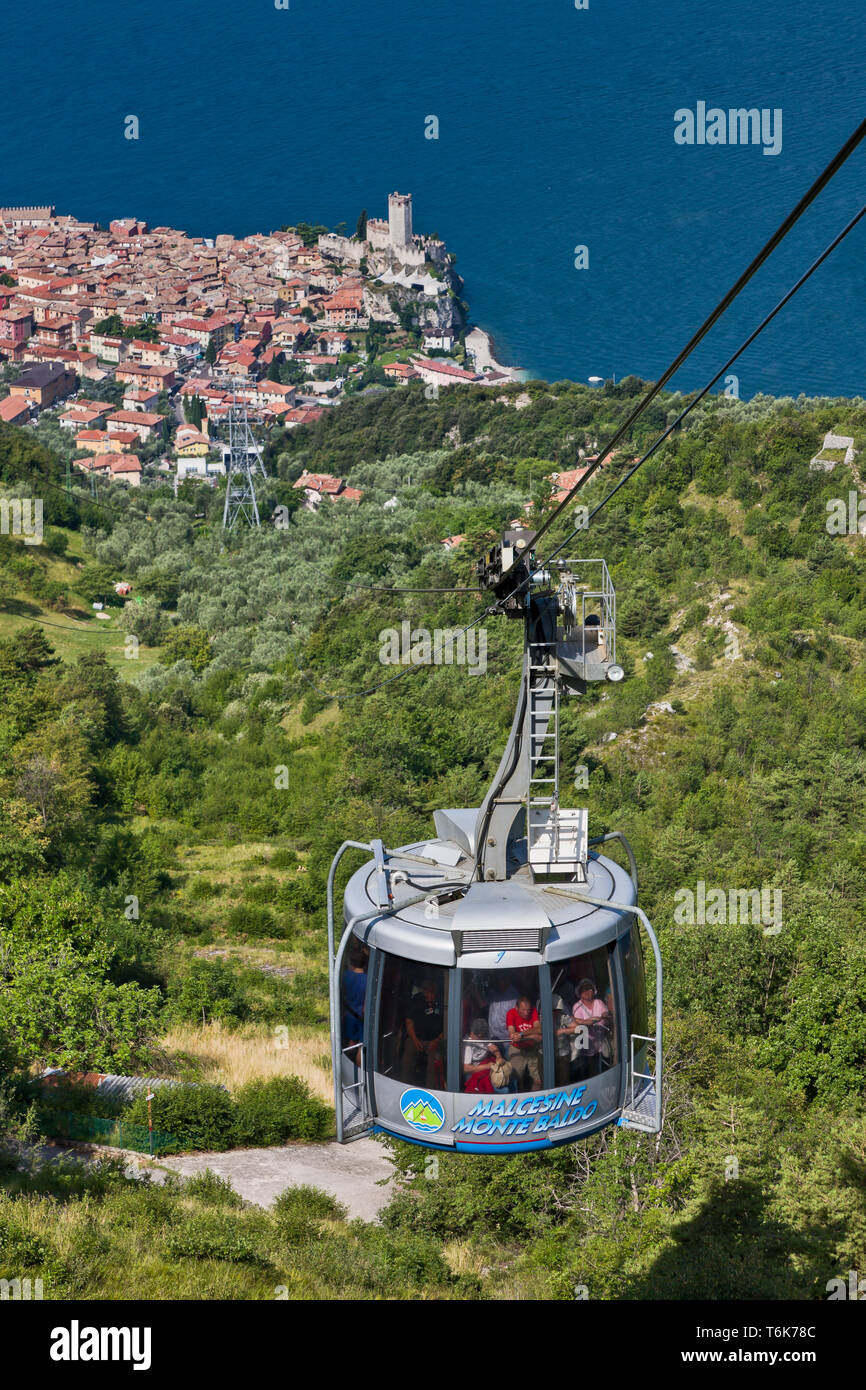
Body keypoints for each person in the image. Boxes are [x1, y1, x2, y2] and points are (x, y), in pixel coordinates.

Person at [403, 977, 444, 1088]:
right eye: (428, 991)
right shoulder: (415, 1001)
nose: (430, 995)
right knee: (407, 1060)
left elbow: (447, 1026)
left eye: (433, 992)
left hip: (435, 1041)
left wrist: (437, 1040)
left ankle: (431, 1089)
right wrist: (415, 1040)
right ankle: (404, 1085)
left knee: (434, 1063)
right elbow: (409, 1021)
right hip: (416, 1038)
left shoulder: (441, 1003)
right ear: (424, 991)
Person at [571, 978, 610, 1078]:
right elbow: (579, 1023)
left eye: (590, 989)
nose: (588, 991)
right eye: (584, 989)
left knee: (601, 1073)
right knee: (587, 1074)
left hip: (600, 1047)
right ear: (580, 993)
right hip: (584, 1050)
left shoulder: (599, 1003)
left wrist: (605, 1015)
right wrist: (596, 1019)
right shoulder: (577, 1007)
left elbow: (606, 1014)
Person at [506, 995, 542, 1091]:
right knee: (516, 1079)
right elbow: (512, 1034)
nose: (526, 1013)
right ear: (516, 1008)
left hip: (532, 1049)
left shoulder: (533, 1011)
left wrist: (521, 1034)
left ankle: (535, 1101)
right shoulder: (511, 1013)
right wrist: (532, 1036)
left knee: (538, 1080)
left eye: (528, 1010)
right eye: (523, 1010)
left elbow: (539, 1030)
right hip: (517, 1049)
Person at [462, 1018, 507, 1093]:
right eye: (479, 1036)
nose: (482, 1038)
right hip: (474, 1073)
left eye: (482, 1036)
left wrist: (498, 1056)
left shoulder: (482, 1038)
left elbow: (492, 1047)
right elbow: (466, 1068)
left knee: (509, 1079)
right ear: (472, 1032)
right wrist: (487, 1066)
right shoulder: (468, 1044)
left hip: (487, 1067)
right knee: (504, 1091)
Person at [341, 948, 367, 1059]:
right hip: (361, 1018)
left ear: (351, 962)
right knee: (361, 1047)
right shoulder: (367, 980)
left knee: (349, 1043)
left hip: (348, 1016)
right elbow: (365, 1007)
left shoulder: (345, 976)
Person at [486, 974, 518, 1056]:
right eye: (497, 979)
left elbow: (518, 1019)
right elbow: (482, 1004)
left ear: (508, 980)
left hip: (508, 1041)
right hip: (493, 1039)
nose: (498, 982)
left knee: (509, 1067)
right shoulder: (493, 992)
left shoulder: (515, 996)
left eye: (501, 979)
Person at [552, 990, 578, 1087]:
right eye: (553, 1010)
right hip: (547, 1055)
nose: (556, 1013)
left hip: (563, 1054)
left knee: (563, 1081)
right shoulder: (542, 1018)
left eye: (557, 1010)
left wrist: (563, 1031)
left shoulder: (564, 1017)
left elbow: (577, 1029)